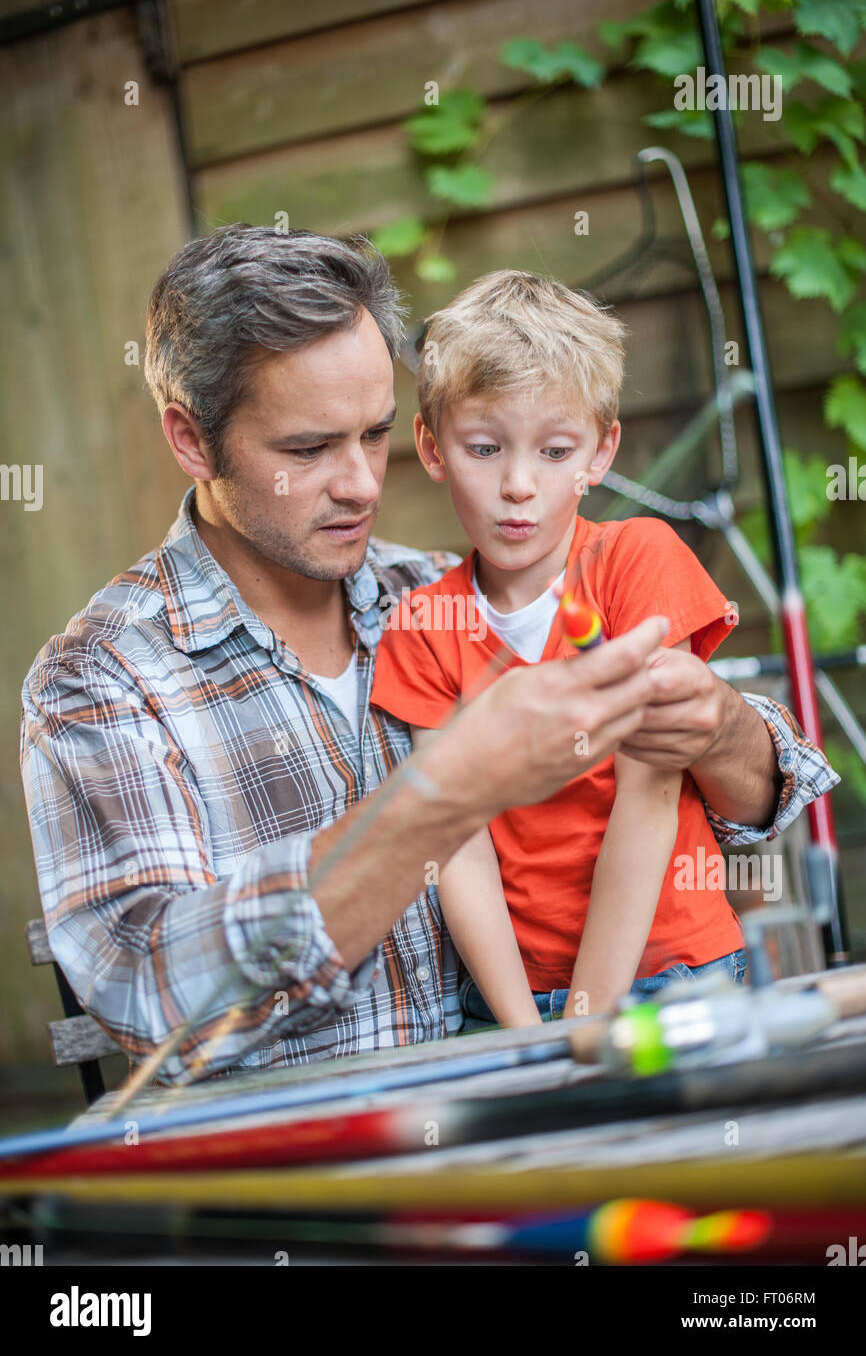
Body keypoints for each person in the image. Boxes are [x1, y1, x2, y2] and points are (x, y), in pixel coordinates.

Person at [19, 226, 838, 1084]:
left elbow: (753, 807)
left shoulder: (432, 589)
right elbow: (153, 1004)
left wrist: (720, 731)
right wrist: (440, 800)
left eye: (374, 435)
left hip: (527, 1099)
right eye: (308, 449)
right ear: (191, 440)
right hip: (329, 1170)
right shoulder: (103, 679)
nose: (365, 484)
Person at [372, 270, 770, 1030]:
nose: (518, 485)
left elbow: (648, 797)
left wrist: (584, 1023)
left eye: (556, 451)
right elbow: (455, 841)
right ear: (431, 447)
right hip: (514, 1002)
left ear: (600, 452)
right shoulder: (423, 626)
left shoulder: (635, 562)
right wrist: (524, 1038)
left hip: (676, 974)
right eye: (484, 447)